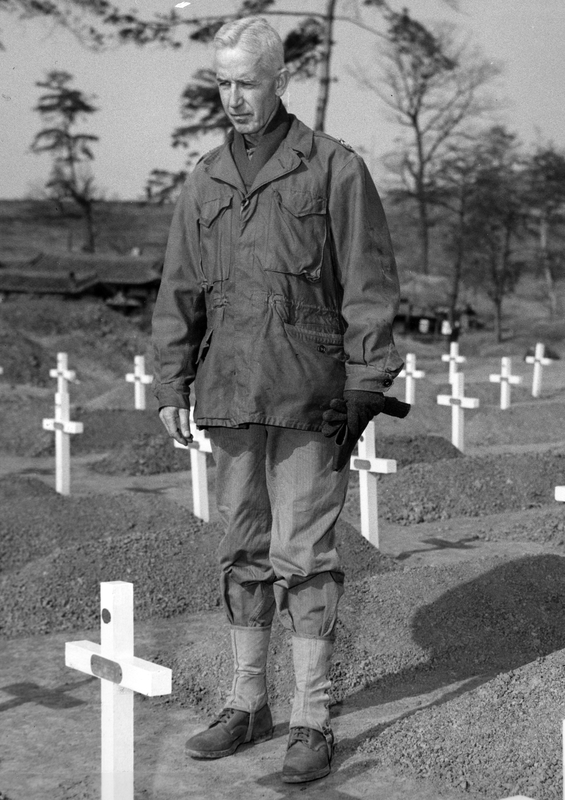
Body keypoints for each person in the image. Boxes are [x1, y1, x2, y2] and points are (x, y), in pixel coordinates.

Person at [151, 16, 403, 784]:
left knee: (306, 555)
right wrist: (171, 378)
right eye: (222, 83)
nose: (233, 97)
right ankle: (246, 702)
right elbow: (179, 287)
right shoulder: (204, 178)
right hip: (230, 392)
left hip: (307, 394)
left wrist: (367, 382)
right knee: (241, 549)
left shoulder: (334, 168)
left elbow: (369, 283)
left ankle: (312, 718)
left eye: (247, 82)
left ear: (281, 80)